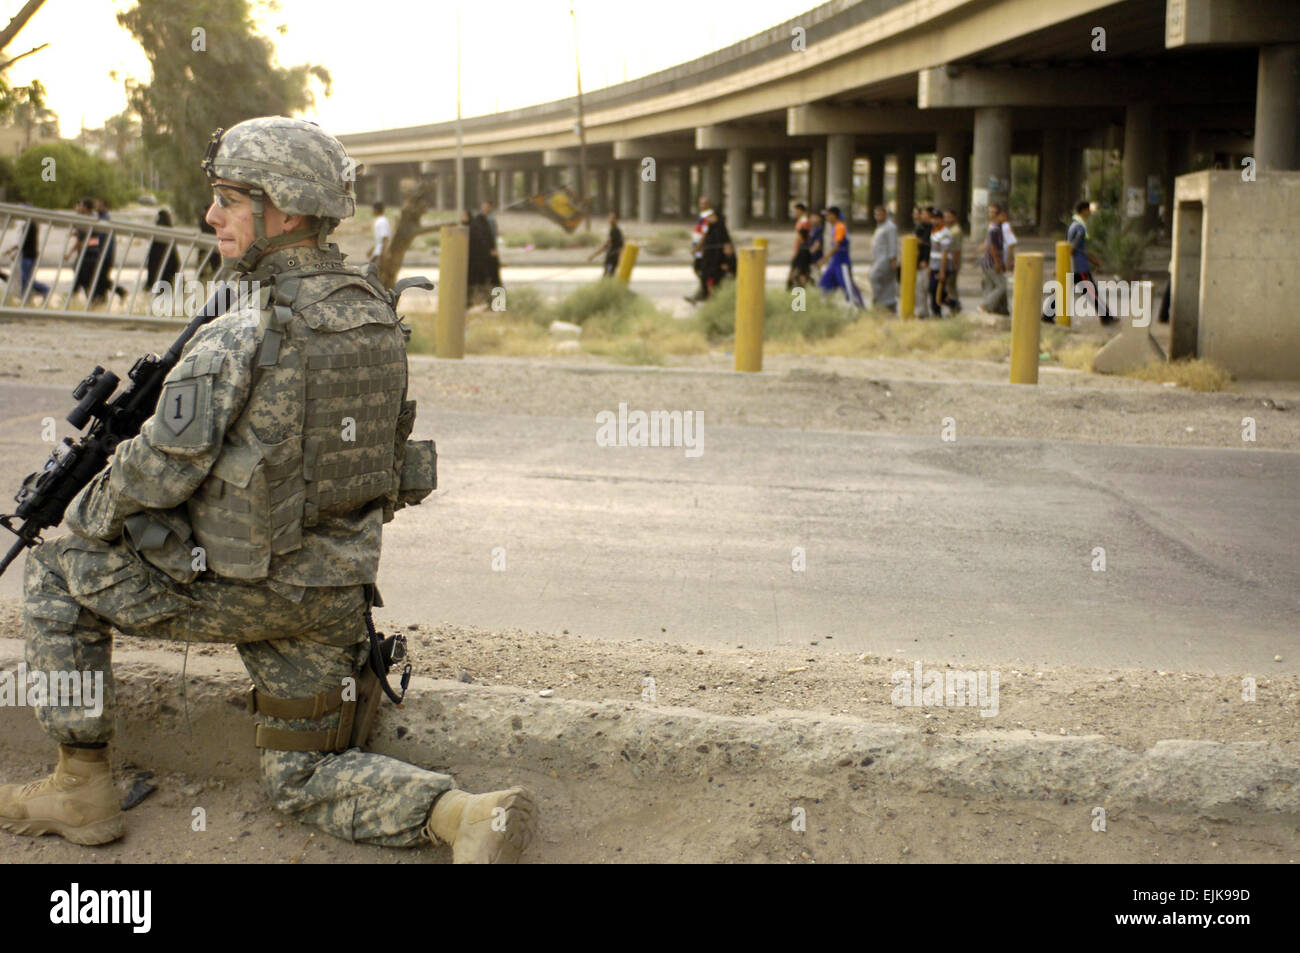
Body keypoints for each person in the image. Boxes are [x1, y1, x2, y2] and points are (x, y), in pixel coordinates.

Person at [0, 116, 537, 863]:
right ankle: (464, 816)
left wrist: (86, 510)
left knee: (55, 574)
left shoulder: (244, 326)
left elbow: (158, 467)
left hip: (240, 584)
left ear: (284, 211)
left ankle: (79, 784)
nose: (212, 215)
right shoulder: (373, 314)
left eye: (230, 198)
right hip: (333, 597)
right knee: (301, 775)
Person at [1063, 200, 1113, 325]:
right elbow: (1074, 248)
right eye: (1088, 210)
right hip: (1080, 267)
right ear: (1084, 211)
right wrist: (1091, 259)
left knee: (1063, 291)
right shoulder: (1080, 228)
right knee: (1091, 292)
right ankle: (1106, 317)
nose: (1090, 212)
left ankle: (1047, 315)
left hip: (1073, 266)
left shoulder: (1073, 225)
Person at [816, 206, 865, 308]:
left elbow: (837, 246)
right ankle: (825, 310)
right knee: (824, 285)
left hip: (841, 263)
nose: (826, 218)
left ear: (834, 215)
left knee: (848, 287)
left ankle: (859, 309)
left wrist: (824, 259)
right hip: (834, 263)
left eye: (828, 215)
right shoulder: (835, 227)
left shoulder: (840, 227)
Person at [5, 207, 51, 302]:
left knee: (26, 278)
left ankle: (43, 289)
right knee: (24, 278)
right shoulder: (31, 224)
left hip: (28, 255)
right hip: (28, 254)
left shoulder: (29, 225)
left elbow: (24, 242)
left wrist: (14, 252)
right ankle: (25, 297)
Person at [977, 203, 1009, 315]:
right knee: (1002, 286)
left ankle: (995, 310)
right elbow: (992, 247)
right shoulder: (994, 229)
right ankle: (985, 305)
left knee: (990, 285)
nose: (991, 215)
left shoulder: (996, 227)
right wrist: (997, 262)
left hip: (987, 262)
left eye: (993, 212)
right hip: (991, 262)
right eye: (990, 212)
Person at [867, 205, 898, 310]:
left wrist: (893, 259)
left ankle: (878, 299)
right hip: (877, 258)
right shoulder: (880, 226)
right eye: (876, 214)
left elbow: (893, 244)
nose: (878, 216)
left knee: (874, 276)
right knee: (885, 282)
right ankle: (888, 303)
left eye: (880, 214)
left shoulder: (890, 227)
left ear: (885, 214)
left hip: (885, 259)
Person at [144, 209, 182, 294]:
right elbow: (174, 253)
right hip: (167, 267)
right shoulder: (168, 231)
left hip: (159, 267)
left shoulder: (158, 231)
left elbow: (152, 255)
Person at [698, 208, 734, 299]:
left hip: (719, 263)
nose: (709, 219)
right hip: (708, 261)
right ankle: (704, 295)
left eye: (712, 217)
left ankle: (714, 298)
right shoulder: (709, 230)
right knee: (705, 278)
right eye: (709, 217)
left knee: (716, 281)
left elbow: (728, 250)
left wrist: (726, 262)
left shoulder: (721, 231)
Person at [686, 195, 713, 303]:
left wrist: (698, 248)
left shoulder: (709, 216)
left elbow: (705, 234)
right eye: (700, 203)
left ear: (709, 205)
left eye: (704, 203)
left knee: (700, 269)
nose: (702, 205)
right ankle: (702, 293)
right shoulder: (702, 215)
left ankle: (702, 294)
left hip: (703, 249)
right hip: (698, 247)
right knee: (699, 270)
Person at [466, 208, 495, 304]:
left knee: (474, 284)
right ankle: (497, 305)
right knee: (491, 283)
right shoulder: (486, 236)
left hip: (477, 263)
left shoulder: (472, 229)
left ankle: (469, 303)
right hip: (486, 262)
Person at [927, 210, 953, 317]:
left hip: (942, 266)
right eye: (932, 218)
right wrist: (930, 266)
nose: (934, 220)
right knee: (933, 290)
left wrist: (942, 271)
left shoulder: (945, 233)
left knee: (936, 290)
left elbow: (944, 253)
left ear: (941, 219)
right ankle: (937, 311)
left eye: (937, 218)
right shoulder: (934, 231)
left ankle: (951, 305)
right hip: (934, 265)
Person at [589, 210, 624, 278]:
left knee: (607, 275)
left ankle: (608, 287)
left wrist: (594, 255)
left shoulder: (614, 231)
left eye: (612, 218)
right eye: (609, 217)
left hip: (611, 259)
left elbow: (607, 245)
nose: (610, 219)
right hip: (612, 258)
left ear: (616, 219)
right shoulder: (616, 230)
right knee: (609, 275)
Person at [787, 201, 812, 290]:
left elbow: (802, 236)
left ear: (800, 210)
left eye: (796, 211)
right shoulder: (801, 221)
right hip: (800, 248)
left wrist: (796, 251)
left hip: (802, 249)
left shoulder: (804, 221)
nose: (795, 213)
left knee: (801, 271)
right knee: (798, 270)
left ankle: (802, 290)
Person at [942, 208, 963, 313]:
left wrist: (955, 264)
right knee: (949, 286)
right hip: (946, 262)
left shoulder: (956, 230)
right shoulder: (947, 229)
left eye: (949, 217)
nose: (946, 219)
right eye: (945, 217)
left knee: (950, 287)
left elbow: (956, 250)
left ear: (954, 217)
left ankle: (955, 308)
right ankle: (954, 307)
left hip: (952, 262)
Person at [480, 200, 501, 288]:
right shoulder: (482, 218)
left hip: (489, 247)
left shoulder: (490, 219)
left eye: (486, 206)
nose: (484, 208)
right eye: (483, 206)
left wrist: (493, 248)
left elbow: (492, 234)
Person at [369, 201, 390, 266]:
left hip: (379, 254)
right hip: (377, 252)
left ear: (376, 210)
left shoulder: (382, 221)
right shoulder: (379, 221)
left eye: (373, 210)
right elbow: (379, 241)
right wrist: (371, 250)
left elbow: (385, 238)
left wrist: (383, 255)